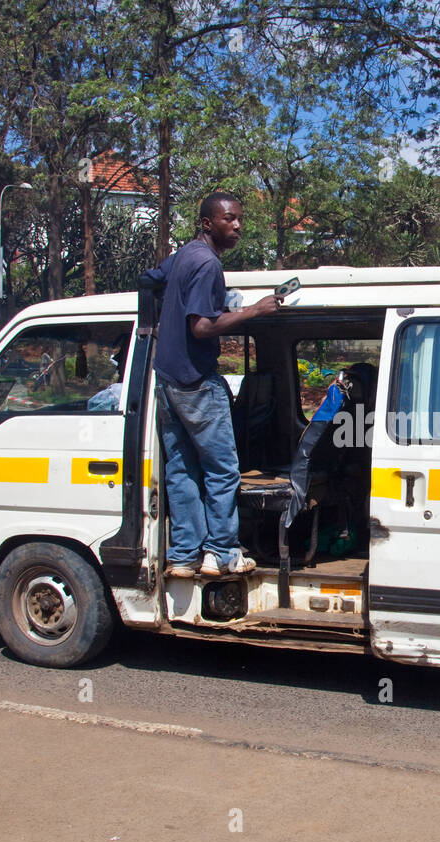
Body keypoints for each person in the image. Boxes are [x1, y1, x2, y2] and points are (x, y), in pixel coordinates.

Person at [146, 191, 283, 578]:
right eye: (228, 219)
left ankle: (185, 555)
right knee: (222, 470)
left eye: (239, 218)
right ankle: (222, 552)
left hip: (167, 380)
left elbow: (152, 276)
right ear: (207, 223)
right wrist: (253, 310)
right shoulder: (207, 265)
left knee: (181, 468)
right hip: (195, 382)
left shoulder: (185, 256)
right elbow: (202, 326)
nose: (237, 225)